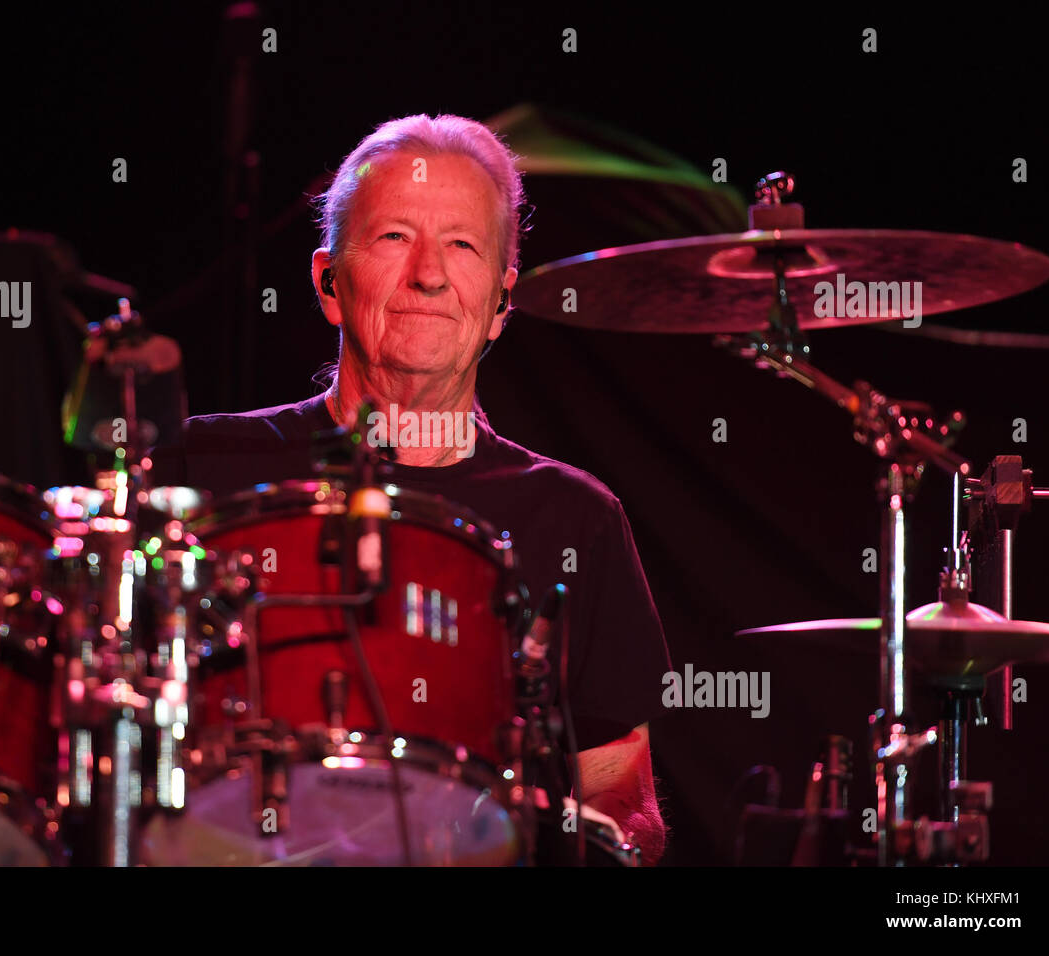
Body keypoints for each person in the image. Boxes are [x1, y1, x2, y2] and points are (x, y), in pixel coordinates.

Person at [152, 114, 672, 864]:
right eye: (395, 236)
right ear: (329, 283)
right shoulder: (199, 467)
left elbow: (620, 795)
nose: (428, 274)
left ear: (501, 302)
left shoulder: (576, 518)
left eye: (462, 245)